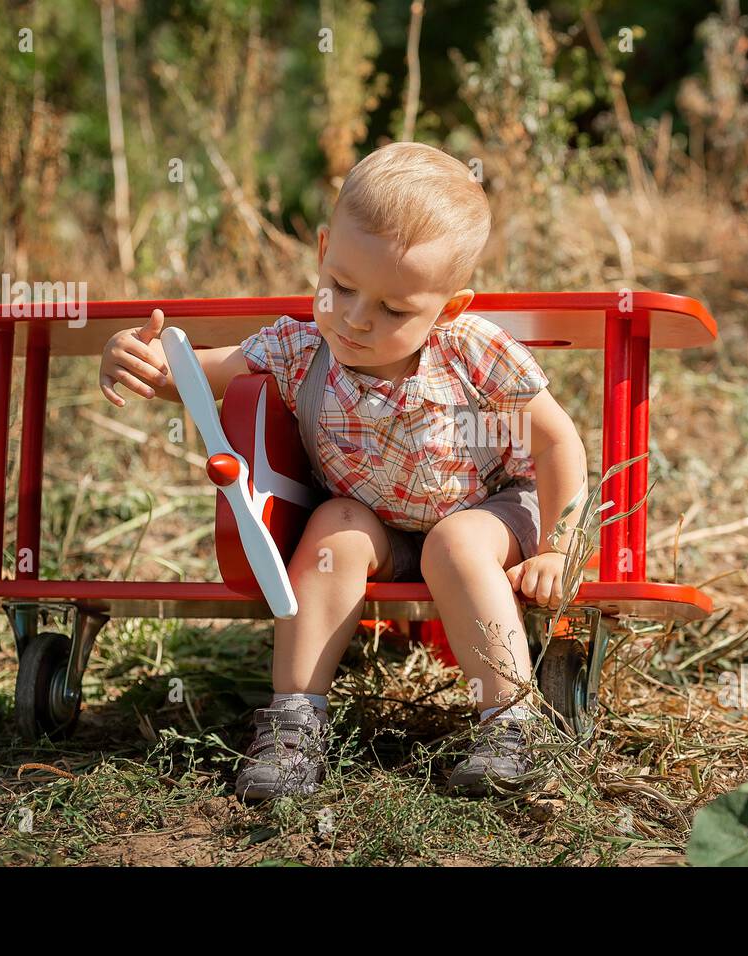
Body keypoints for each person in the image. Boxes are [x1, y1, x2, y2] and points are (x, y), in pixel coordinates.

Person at [99, 142, 587, 799]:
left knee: (456, 541)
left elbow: (556, 441)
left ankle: (509, 725)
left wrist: (559, 545)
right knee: (332, 528)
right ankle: (294, 725)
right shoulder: (298, 349)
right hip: (381, 526)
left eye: (393, 310)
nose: (357, 318)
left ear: (447, 308)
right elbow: (186, 376)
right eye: (342, 287)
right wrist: (137, 360)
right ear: (324, 248)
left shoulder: (472, 351)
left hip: (491, 508)